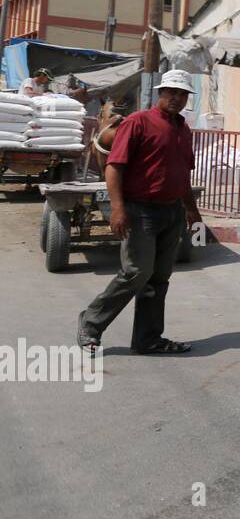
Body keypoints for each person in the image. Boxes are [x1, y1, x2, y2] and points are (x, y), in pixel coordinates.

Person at [76, 69, 200, 355]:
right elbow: (114, 166)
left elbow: (182, 175)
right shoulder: (138, 122)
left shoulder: (183, 129)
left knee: (158, 278)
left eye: (182, 94)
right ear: (160, 93)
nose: (177, 98)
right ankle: (91, 322)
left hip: (172, 213)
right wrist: (117, 209)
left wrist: (192, 210)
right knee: (136, 272)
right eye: (172, 92)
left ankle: (148, 338)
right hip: (140, 210)